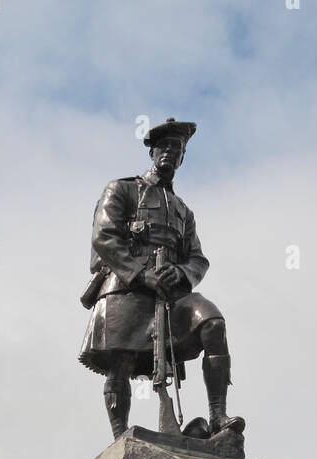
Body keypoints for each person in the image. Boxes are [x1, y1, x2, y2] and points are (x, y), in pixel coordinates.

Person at [79, 117, 243, 442]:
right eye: (164, 146)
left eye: (177, 148)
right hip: (126, 287)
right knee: (120, 362)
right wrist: (142, 273)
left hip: (170, 293)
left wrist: (180, 272)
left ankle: (217, 417)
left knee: (212, 323)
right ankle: (120, 438)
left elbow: (197, 259)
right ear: (152, 152)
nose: (170, 152)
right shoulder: (123, 189)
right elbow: (104, 237)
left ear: (182, 157)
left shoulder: (184, 211)